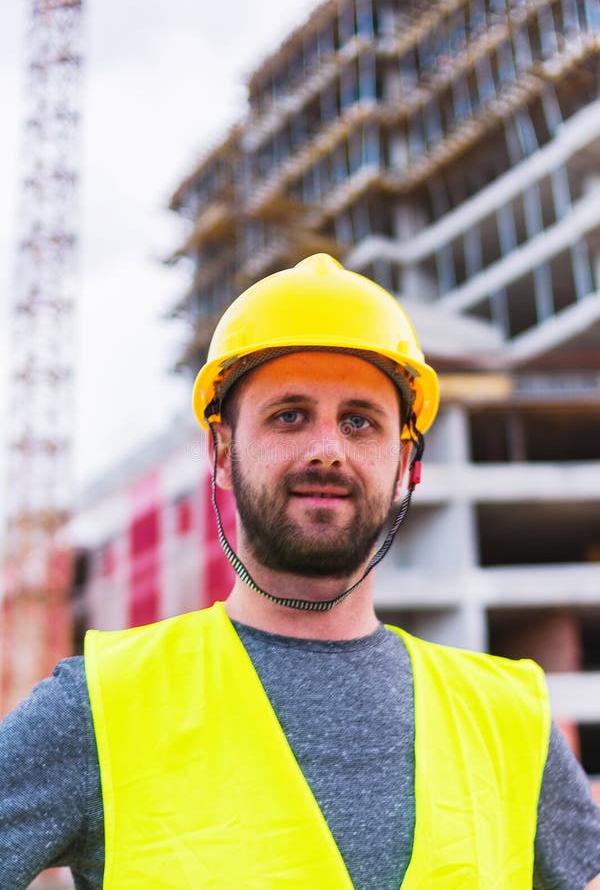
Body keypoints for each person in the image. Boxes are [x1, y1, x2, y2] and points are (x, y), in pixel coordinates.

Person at [1, 254, 599, 889]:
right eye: (289, 415)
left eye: (359, 422)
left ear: (406, 469)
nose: (326, 450)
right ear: (223, 454)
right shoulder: (102, 705)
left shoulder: (512, 722)